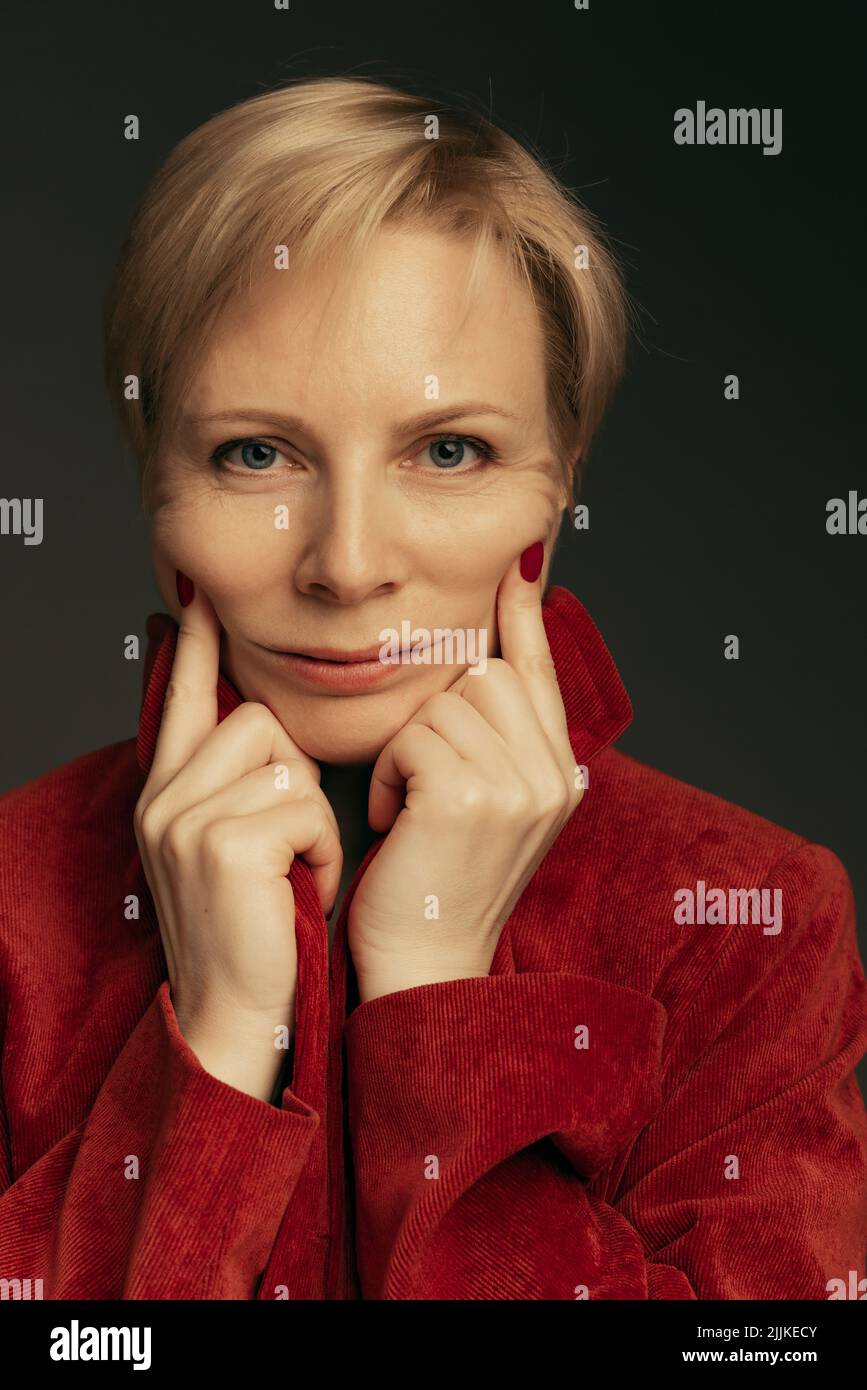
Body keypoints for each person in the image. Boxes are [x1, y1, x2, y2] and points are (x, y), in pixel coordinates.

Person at [0, 75, 865, 1302]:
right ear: (158, 489)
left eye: (449, 450)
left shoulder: (751, 925)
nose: (348, 564)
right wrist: (220, 1046)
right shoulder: (11, 906)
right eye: (256, 453)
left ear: (556, 489)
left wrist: (445, 1007)